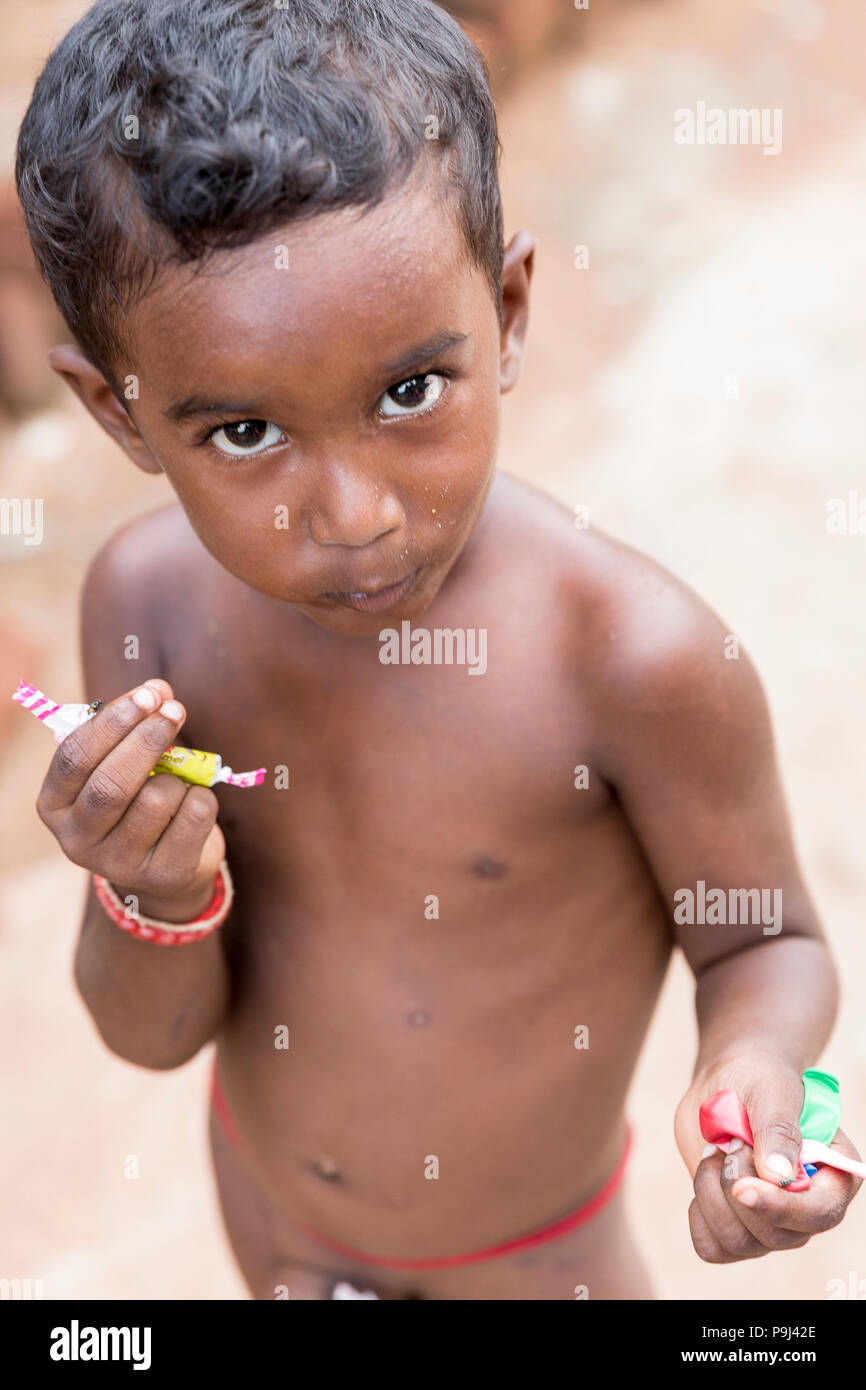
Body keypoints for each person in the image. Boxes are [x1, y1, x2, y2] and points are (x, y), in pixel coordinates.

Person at [15, 0, 860, 1299]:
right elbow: (151, 1038)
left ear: (509, 310)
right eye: (244, 432)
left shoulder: (633, 657)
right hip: (282, 1242)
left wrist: (753, 1083)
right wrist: (152, 893)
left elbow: (763, 944)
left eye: (410, 391)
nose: (356, 517)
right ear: (119, 413)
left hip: (538, 1272)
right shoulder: (150, 606)